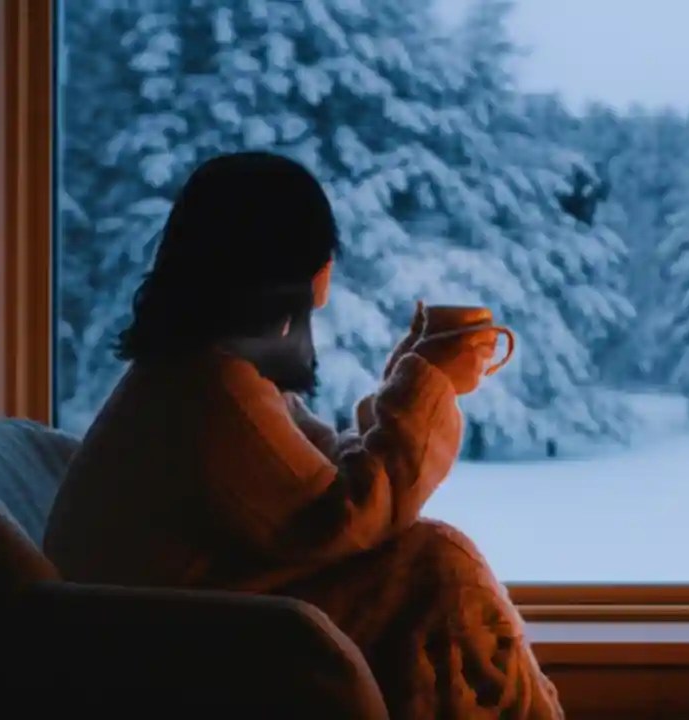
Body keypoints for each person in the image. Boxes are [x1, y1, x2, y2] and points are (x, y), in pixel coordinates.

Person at [43, 151, 562, 719]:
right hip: (175, 662)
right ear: (303, 270)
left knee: (433, 562)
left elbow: (327, 472)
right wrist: (430, 382)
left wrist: (413, 378)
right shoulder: (212, 390)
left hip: (178, 640)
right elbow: (344, 515)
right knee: (439, 571)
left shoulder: (199, 374)